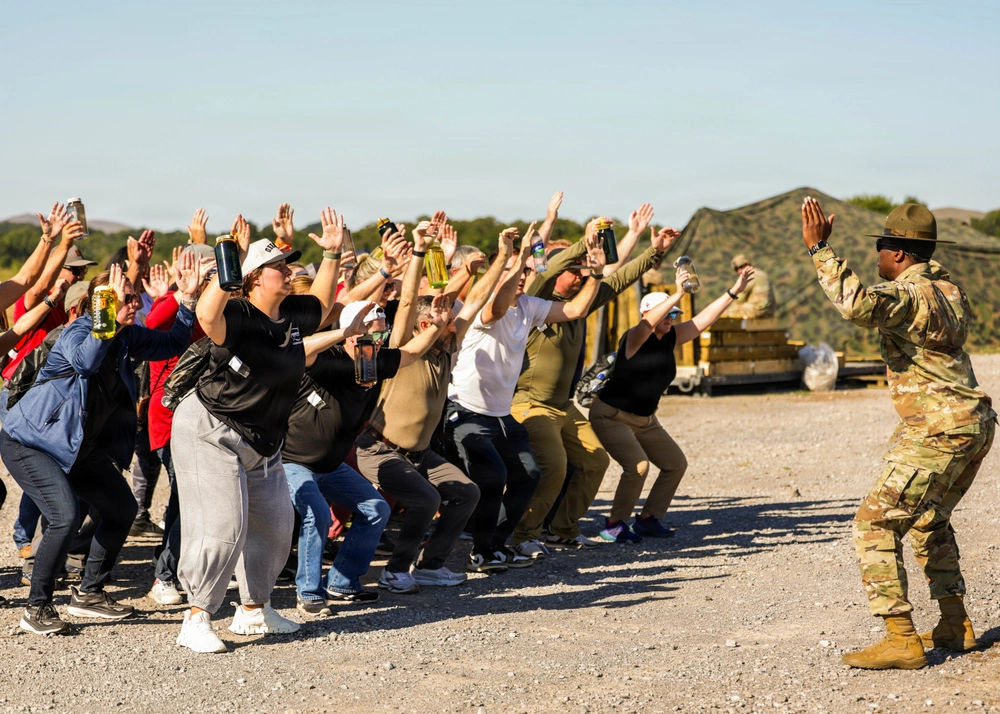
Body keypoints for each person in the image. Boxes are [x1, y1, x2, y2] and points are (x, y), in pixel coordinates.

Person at [801, 197, 995, 670]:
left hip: (938, 430)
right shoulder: (950, 289)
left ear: (900, 253)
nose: (878, 259)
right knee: (930, 521)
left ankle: (901, 638)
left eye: (882, 250)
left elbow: (858, 305)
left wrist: (819, 249)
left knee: (875, 523)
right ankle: (954, 623)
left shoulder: (910, 294)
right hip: (973, 424)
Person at [172, 209, 343, 653]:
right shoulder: (240, 313)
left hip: (262, 439)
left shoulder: (292, 314)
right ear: (252, 279)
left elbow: (323, 305)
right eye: (279, 267)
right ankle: (196, 618)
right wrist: (225, 277)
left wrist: (332, 254)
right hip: (210, 428)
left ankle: (253, 610)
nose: (289, 272)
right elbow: (208, 319)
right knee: (222, 525)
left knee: (274, 524)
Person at [0, 259, 199, 636]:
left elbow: (174, 342)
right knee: (64, 516)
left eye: (132, 298)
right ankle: (37, 606)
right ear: (101, 304)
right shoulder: (77, 332)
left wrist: (186, 300)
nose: (134, 304)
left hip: (76, 447)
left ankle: (89, 592)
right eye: (125, 298)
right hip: (31, 443)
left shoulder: (126, 337)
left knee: (121, 508)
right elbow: (87, 363)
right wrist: (106, 307)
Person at [356, 221, 513, 594]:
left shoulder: (445, 349)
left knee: (467, 491)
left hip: (418, 454)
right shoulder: (403, 351)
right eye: (444, 325)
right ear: (425, 325)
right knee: (426, 499)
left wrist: (504, 255)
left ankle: (430, 565)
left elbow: (475, 302)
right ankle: (395, 571)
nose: (454, 330)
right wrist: (420, 252)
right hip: (378, 449)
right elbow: (408, 302)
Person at [446, 225, 607, 572]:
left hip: (501, 415)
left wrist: (596, 274)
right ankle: (481, 550)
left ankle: (497, 544)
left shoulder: (529, 306)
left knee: (529, 474)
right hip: (466, 411)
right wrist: (516, 259)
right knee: (493, 478)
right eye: (512, 274)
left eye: (523, 274)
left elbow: (575, 310)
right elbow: (498, 307)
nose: (521, 279)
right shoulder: (487, 307)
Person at [281, 292, 451, 614]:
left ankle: (342, 583)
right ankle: (308, 592)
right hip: (292, 460)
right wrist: (342, 333)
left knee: (375, 507)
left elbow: (412, 352)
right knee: (317, 513)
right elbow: (297, 351)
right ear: (353, 332)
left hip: (329, 464)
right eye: (372, 332)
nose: (379, 338)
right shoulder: (329, 359)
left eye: (382, 333)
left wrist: (436, 326)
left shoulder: (374, 362)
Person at [509, 211, 666, 558]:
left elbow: (619, 278)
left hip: (562, 406)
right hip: (529, 404)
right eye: (575, 271)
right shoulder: (536, 302)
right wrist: (584, 241)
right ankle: (524, 535)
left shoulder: (577, 305)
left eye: (583, 272)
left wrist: (654, 252)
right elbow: (547, 269)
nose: (580, 277)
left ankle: (562, 529)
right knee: (555, 466)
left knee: (596, 460)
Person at [589, 260, 753, 542]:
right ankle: (614, 524)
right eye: (667, 313)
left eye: (674, 314)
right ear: (648, 313)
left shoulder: (671, 337)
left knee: (675, 463)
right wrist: (677, 293)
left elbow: (704, 319)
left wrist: (733, 292)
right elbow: (647, 323)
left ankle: (648, 520)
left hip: (645, 419)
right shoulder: (635, 337)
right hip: (611, 415)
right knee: (638, 466)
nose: (671, 318)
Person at [143, 243, 215, 605]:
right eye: (204, 268)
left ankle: (183, 570)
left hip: (204, 417)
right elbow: (152, 323)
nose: (207, 275)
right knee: (186, 497)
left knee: (195, 498)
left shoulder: (209, 307)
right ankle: (164, 577)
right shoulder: (171, 305)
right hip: (168, 420)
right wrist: (179, 290)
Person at [2, 209, 92, 380]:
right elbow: (29, 282)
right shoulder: (40, 296)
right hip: (25, 386)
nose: (81, 276)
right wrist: (61, 243)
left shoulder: (70, 300)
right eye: (75, 269)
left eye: (84, 270)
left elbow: (20, 328)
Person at [720, 253, 775, 319]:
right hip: (769, 312)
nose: (738, 271)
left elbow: (738, 299)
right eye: (736, 269)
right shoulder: (762, 274)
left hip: (755, 311)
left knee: (720, 313)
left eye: (740, 267)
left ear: (747, 264)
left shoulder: (749, 276)